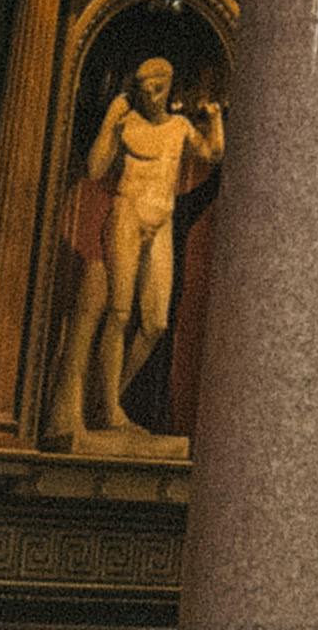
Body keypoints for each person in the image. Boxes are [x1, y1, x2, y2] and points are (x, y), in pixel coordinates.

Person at [45, 54, 224, 445]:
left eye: (158, 88)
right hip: (127, 213)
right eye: (144, 89)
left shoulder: (179, 127)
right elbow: (94, 169)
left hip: (161, 220)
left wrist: (215, 118)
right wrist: (110, 121)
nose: (151, 96)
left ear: (169, 85)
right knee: (119, 311)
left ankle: (108, 396)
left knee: (156, 321)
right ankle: (108, 409)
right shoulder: (126, 125)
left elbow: (212, 154)